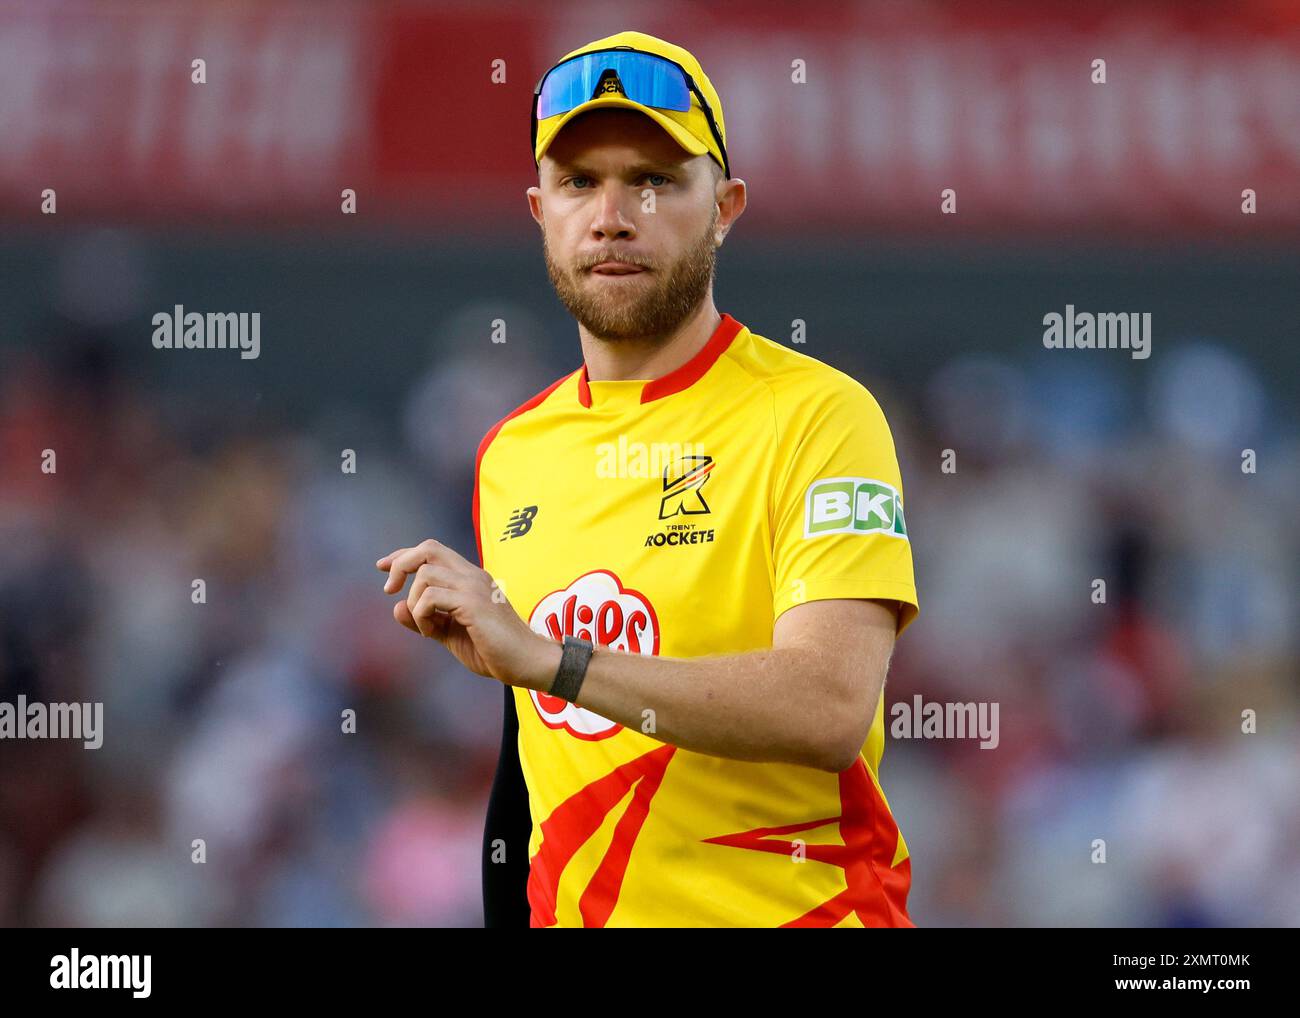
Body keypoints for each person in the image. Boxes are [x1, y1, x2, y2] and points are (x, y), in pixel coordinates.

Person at [376, 30, 920, 928]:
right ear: (538, 210)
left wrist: (555, 661)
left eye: (656, 180)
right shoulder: (513, 451)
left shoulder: (822, 416)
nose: (612, 215)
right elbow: (533, 776)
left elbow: (828, 704)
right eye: (579, 182)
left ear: (726, 206)